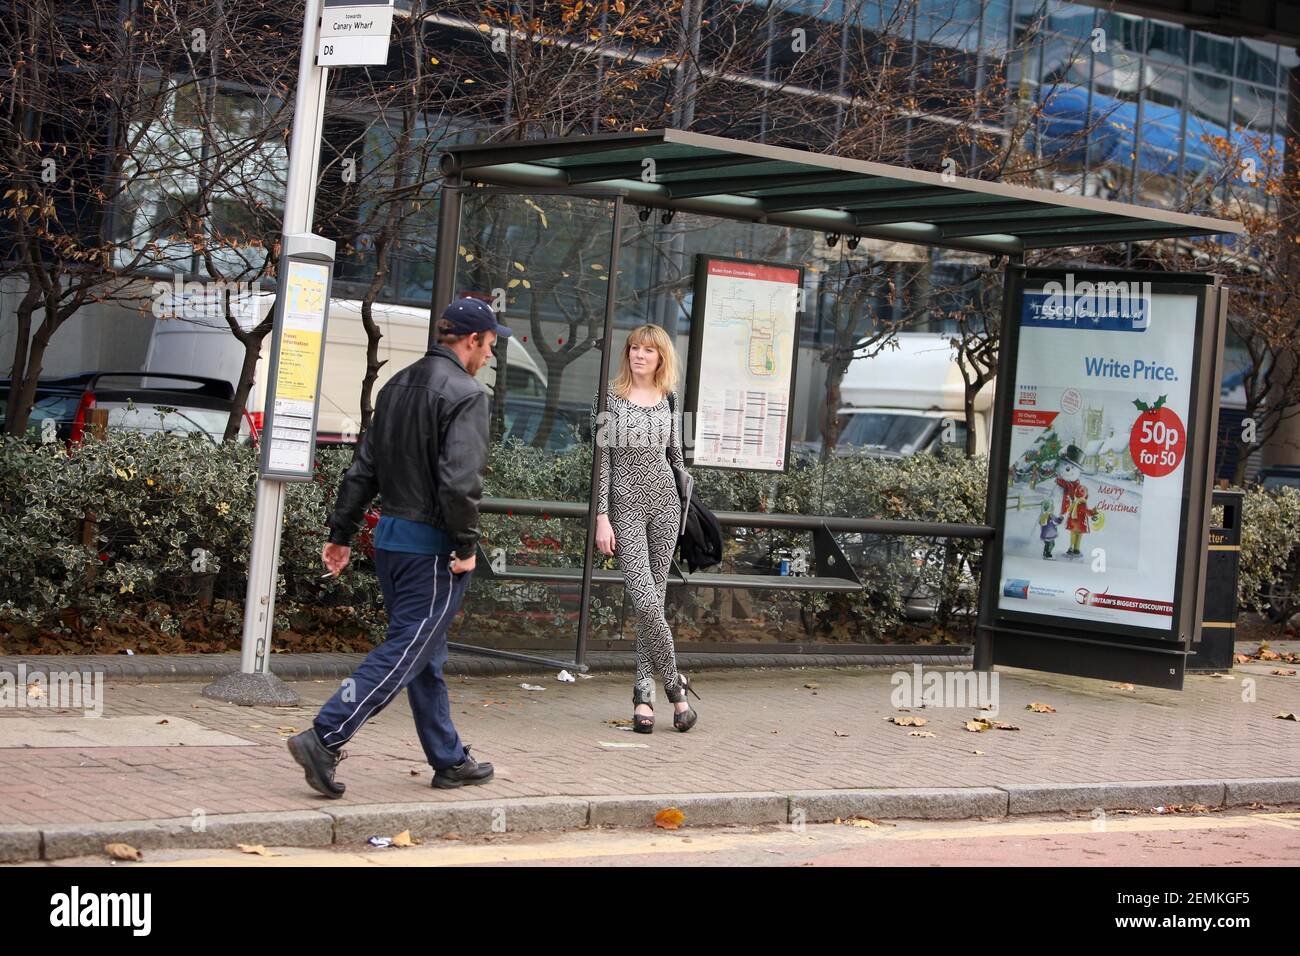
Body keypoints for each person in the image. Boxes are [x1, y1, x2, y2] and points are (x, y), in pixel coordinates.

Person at [287, 296, 511, 797]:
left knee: (422, 650)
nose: (489, 356)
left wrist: (341, 534)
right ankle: (324, 736)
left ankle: (448, 759)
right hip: (432, 548)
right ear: (472, 340)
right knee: (405, 650)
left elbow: (362, 469)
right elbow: (459, 484)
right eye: (490, 345)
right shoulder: (467, 394)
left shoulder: (396, 386)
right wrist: (467, 544)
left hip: (389, 540)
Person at [592, 323, 700, 734]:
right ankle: (675, 686)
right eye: (634, 348)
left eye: (648, 350)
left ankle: (643, 693)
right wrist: (602, 516)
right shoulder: (608, 398)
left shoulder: (671, 399)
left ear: (660, 358)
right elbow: (602, 463)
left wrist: (687, 501)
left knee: (655, 596)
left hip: (666, 507)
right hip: (625, 507)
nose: (639, 355)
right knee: (644, 599)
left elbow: (677, 457)